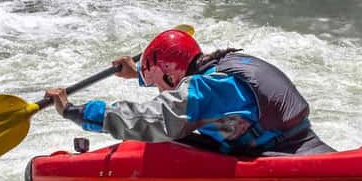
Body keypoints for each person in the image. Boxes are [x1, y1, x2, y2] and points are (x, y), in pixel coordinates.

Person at [44, 29, 335, 155]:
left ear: (172, 74)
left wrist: (76, 112)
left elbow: (150, 118)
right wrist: (140, 74)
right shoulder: (221, 66)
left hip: (280, 154)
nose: (159, 90)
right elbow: (181, 87)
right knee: (185, 131)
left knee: (165, 136)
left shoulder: (206, 88)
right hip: (291, 140)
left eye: (159, 84)